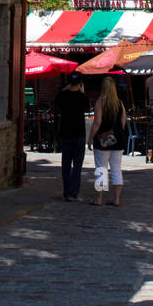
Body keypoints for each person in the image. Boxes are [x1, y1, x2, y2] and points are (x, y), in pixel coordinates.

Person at [88, 75, 128, 206]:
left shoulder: (100, 102)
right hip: (118, 138)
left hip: (103, 139)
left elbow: (97, 122)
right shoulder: (120, 103)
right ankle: (116, 199)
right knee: (116, 169)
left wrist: (90, 138)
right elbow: (123, 124)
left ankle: (98, 198)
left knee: (101, 168)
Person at [54, 72, 90, 201]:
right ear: (80, 83)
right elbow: (87, 107)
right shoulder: (82, 97)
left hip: (65, 133)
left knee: (66, 164)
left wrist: (64, 89)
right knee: (77, 165)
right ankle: (75, 191)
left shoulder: (63, 96)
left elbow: (55, 103)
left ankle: (67, 192)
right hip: (79, 134)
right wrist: (82, 92)